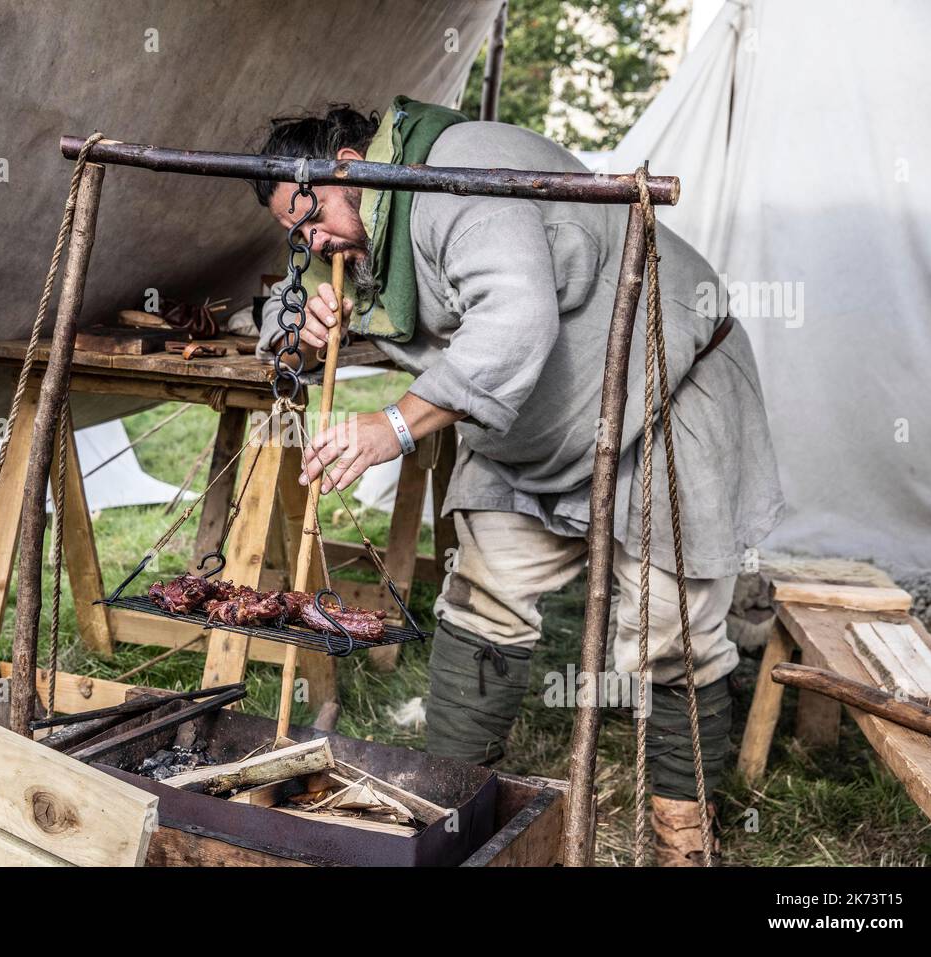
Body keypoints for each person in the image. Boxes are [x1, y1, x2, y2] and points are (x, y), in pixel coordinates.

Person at [252, 101, 785, 865]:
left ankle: (682, 844)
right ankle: (451, 811)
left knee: (670, 634)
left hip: (664, 393)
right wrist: (296, 322)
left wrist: (394, 425)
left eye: (312, 221)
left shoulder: (455, 175)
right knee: (482, 601)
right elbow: (272, 305)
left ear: (346, 165)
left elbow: (514, 319)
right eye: (296, 235)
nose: (313, 242)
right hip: (534, 433)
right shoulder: (358, 230)